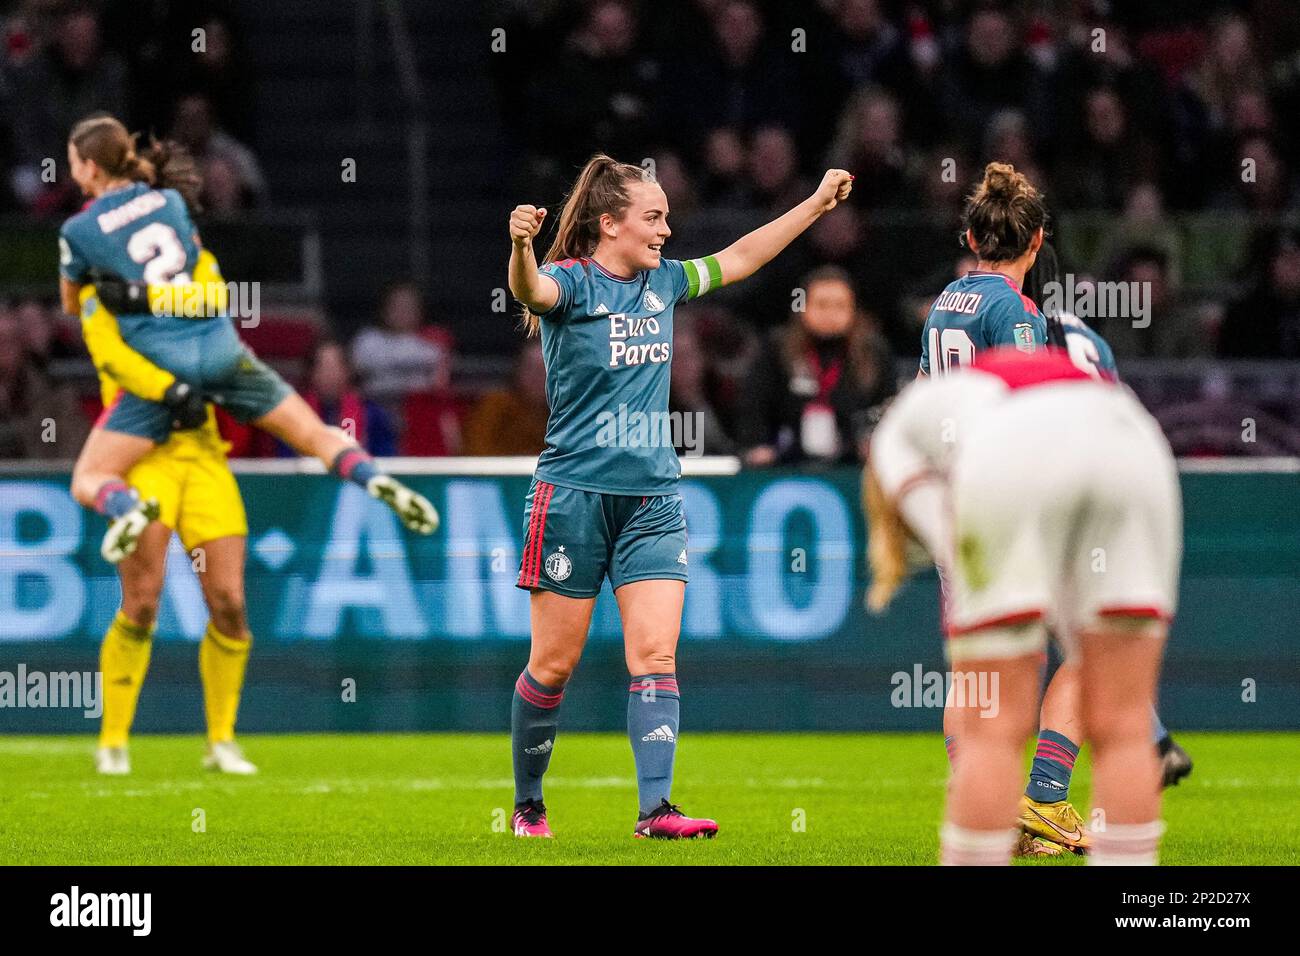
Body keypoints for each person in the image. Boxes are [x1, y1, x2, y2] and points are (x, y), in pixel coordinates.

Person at [506, 153, 853, 839]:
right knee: (552, 665)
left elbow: (743, 255)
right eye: (653, 218)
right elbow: (528, 292)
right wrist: (519, 245)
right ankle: (528, 806)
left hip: (654, 500)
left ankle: (656, 810)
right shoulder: (571, 284)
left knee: (656, 655)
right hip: (572, 495)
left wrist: (814, 204)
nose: (666, 231)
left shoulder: (665, 282)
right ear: (610, 224)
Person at [56, 114, 437, 564]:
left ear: (90, 168)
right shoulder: (171, 204)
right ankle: (372, 477)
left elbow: (69, 304)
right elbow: (209, 295)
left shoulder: (78, 231)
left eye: (73, 164)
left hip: (164, 366)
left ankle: (127, 507)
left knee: (90, 476)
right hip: (220, 350)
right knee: (312, 433)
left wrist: (127, 294)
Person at [866, 347, 1182, 866]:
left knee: (991, 731)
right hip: (1134, 441)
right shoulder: (972, 395)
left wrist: (1005, 598)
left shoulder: (895, 436)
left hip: (1013, 447)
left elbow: (949, 542)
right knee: (1125, 726)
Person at [77, 283, 257, 776]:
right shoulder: (102, 286)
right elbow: (108, 352)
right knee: (143, 599)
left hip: (203, 452)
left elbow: (219, 345)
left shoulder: (198, 273)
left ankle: (221, 740)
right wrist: (169, 388)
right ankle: (113, 740)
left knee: (229, 601)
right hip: (141, 448)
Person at [739, 265, 894, 466]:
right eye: (821, 305)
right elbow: (754, 406)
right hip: (785, 463)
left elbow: (888, 405)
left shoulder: (873, 352)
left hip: (852, 463)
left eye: (840, 305)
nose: (830, 314)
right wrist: (756, 447)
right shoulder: (777, 349)